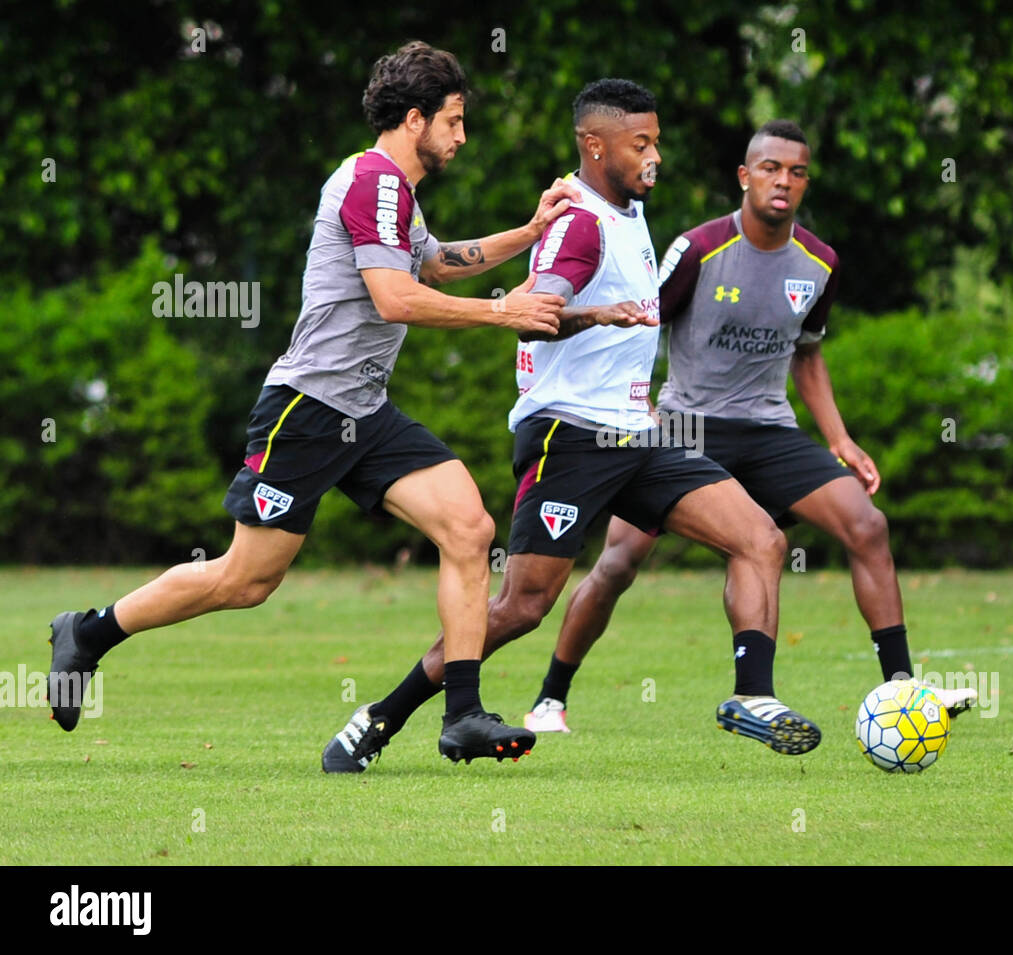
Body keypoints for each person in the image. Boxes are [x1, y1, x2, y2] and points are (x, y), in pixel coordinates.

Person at [46, 41, 578, 765]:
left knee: (467, 526)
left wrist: (530, 231)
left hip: (364, 412)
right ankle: (88, 631)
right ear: (415, 117)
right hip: (308, 407)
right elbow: (395, 299)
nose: (461, 137)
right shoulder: (373, 183)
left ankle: (462, 713)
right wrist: (500, 314)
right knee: (245, 580)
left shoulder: (396, 193)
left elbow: (432, 259)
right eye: (453, 121)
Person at [321, 80, 821, 773]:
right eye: (640, 144)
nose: (655, 157)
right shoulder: (580, 222)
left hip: (637, 433)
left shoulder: (629, 213)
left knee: (759, 536)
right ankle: (379, 716)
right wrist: (597, 314)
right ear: (595, 145)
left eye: (657, 142)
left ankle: (753, 696)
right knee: (522, 606)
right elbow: (538, 314)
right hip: (569, 437)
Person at [523, 119, 977, 735]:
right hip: (685, 426)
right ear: (745, 176)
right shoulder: (698, 248)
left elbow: (809, 353)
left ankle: (902, 691)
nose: (782, 182)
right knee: (619, 563)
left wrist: (839, 439)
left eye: (796, 172)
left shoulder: (820, 263)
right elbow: (641, 323)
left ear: (806, 182)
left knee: (867, 525)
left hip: (768, 431)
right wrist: (641, 411)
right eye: (769, 168)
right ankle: (551, 698)